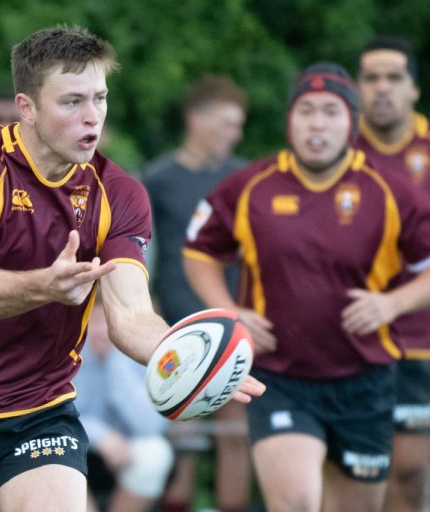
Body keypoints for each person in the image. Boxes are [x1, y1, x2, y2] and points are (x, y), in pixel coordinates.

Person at [0, 25, 265, 512]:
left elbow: (130, 316)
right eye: (72, 102)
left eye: (100, 98)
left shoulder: (119, 193)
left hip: (40, 409)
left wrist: (196, 359)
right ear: (26, 107)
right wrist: (45, 285)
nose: (92, 118)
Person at [183, 62, 430, 512]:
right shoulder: (251, 186)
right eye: (306, 110)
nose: (317, 123)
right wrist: (228, 312)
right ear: (290, 120)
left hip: (365, 381)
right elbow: (199, 252)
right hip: (279, 377)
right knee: (295, 501)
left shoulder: (389, 190)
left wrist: (392, 303)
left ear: (352, 122)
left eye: (331, 112)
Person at [354, 35, 430, 512]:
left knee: (411, 471)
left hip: (425, 334)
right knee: (357, 465)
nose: (382, 88)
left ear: (414, 89)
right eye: (371, 78)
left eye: (394, 78)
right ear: (358, 88)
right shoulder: (338, 148)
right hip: (348, 333)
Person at [142, 74, 251, 512]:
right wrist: (146, 302)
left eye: (239, 126)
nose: (235, 134)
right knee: (181, 438)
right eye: (227, 123)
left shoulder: (243, 177)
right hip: (176, 322)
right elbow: (142, 249)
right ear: (196, 120)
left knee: (235, 432)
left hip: (233, 321)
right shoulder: (158, 178)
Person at [74, 299, 173, 512]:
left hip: (126, 451)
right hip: (77, 448)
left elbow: (150, 425)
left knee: (155, 453)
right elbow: (61, 415)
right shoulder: (69, 357)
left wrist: (116, 361)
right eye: (97, 322)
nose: (103, 331)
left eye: (111, 323)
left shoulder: (144, 359)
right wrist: (102, 438)